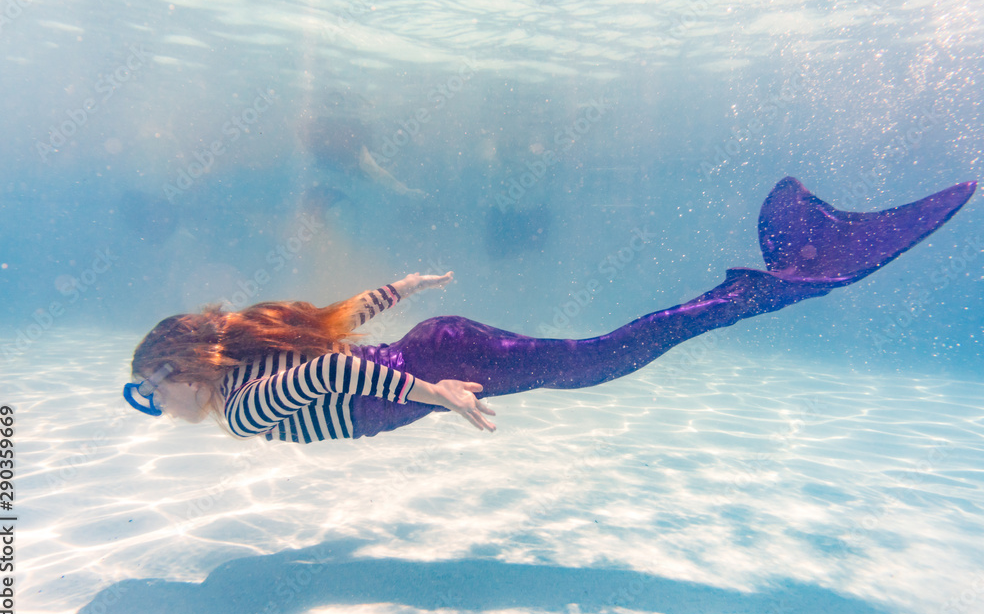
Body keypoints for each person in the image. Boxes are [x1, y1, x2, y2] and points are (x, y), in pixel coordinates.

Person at [125, 177, 976, 443]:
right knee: (604, 356)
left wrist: (442, 397)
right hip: (438, 348)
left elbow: (338, 365)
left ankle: (768, 285)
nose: (157, 410)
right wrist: (405, 291)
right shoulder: (254, 366)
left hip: (449, 364)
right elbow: (337, 327)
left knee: (609, 356)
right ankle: (760, 285)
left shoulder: (245, 406)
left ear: (176, 369)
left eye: (148, 394)